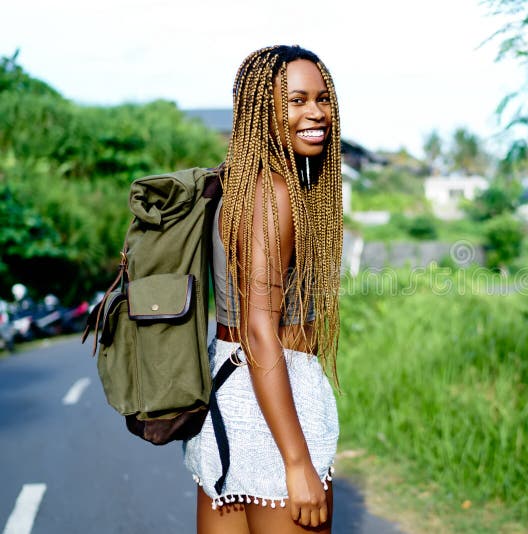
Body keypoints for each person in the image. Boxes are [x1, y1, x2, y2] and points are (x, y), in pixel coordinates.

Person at [184, 45, 343, 534]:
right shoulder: (273, 192)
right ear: (262, 109)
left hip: (229, 395)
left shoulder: (236, 184)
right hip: (274, 401)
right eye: (296, 100)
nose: (316, 112)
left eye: (322, 98)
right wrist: (297, 462)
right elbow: (260, 329)